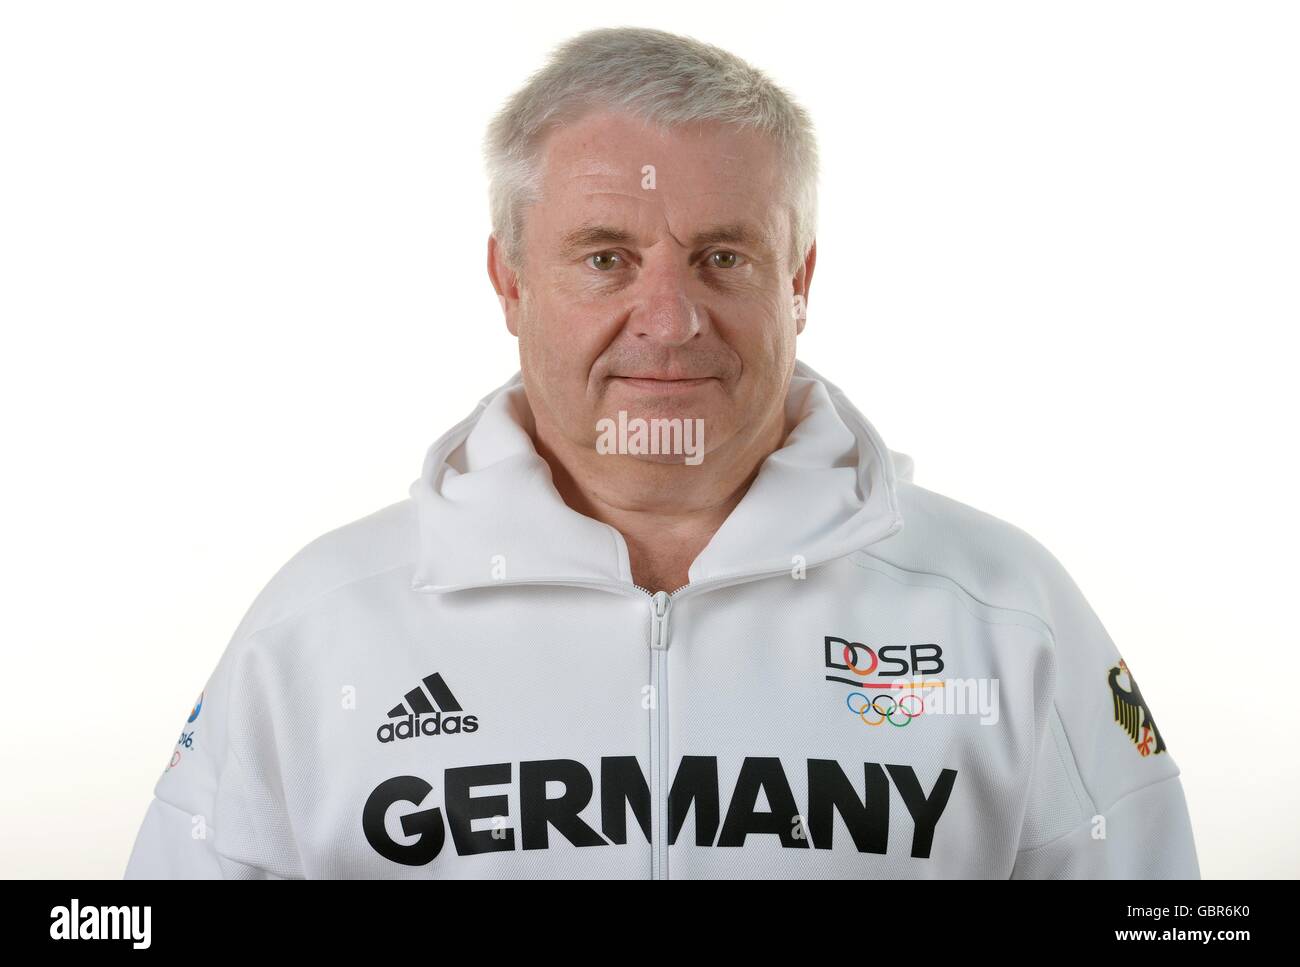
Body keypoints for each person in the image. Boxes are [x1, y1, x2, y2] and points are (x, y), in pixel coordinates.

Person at [124, 26, 1198, 879]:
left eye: (722, 256)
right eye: (606, 257)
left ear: (799, 282)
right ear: (508, 281)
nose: (669, 317)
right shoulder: (323, 627)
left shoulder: (1000, 612)